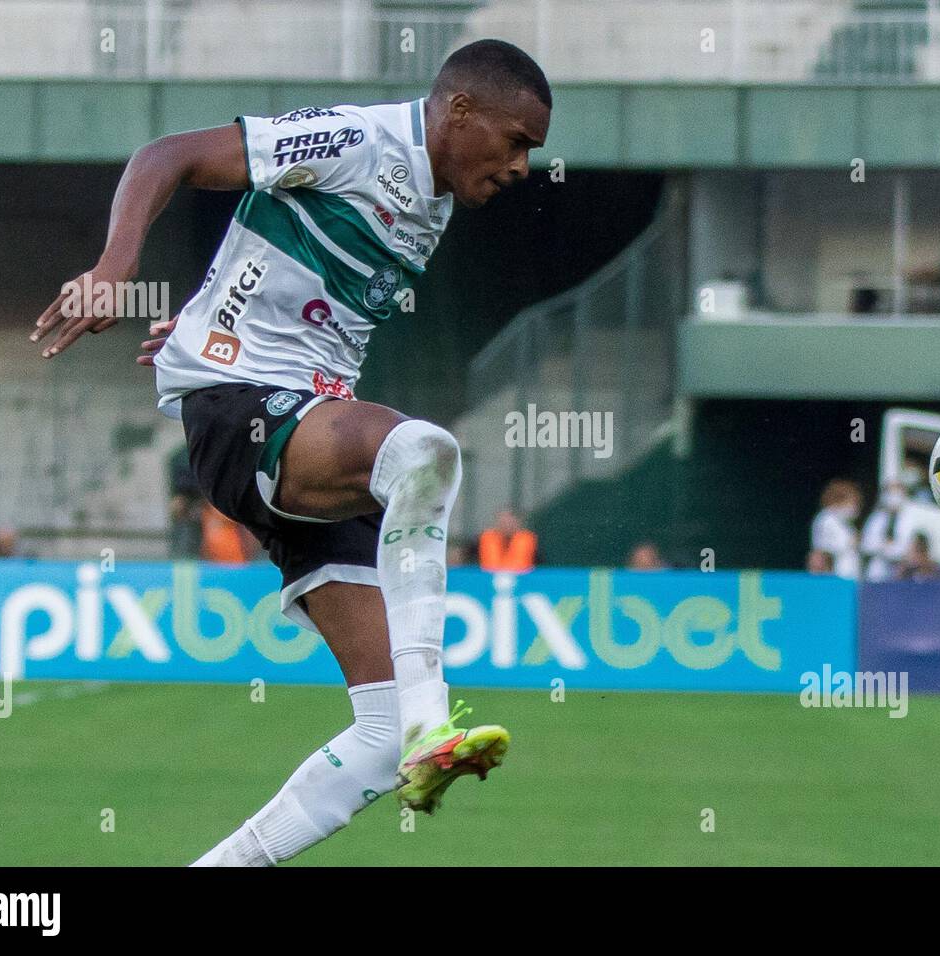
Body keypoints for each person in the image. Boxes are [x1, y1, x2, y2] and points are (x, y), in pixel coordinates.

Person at [30, 39, 552, 866]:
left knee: (376, 738)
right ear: (459, 110)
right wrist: (116, 265)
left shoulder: (437, 203)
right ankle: (432, 717)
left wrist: (202, 321)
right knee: (424, 452)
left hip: (291, 418)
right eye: (518, 141)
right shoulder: (358, 141)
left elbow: (292, 291)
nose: (524, 165)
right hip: (243, 417)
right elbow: (168, 155)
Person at [860, 480, 917, 581]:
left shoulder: (910, 518)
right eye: (890, 494)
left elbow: (907, 546)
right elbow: (866, 544)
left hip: (902, 569)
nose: (893, 498)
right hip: (878, 568)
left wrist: (890, 548)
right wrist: (884, 546)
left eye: (897, 494)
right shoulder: (876, 518)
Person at [810, 479, 862, 580]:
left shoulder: (844, 522)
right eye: (853, 502)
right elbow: (823, 547)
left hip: (850, 573)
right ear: (840, 500)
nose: (856, 508)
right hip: (834, 573)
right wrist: (850, 543)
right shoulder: (826, 518)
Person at [478, 507, 538, 572]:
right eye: (503, 522)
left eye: (510, 522)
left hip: (522, 579)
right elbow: (491, 566)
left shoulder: (526, 538)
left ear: (518, 523)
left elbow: (519, 566)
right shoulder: (488, 538)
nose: (507, 526)